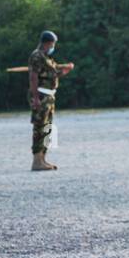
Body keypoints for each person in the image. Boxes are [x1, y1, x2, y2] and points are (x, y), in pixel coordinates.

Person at [28, 31, 73, 171]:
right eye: (53, 44)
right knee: (39, 128)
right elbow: (33, 77)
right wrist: (35, 98)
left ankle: (43, 159)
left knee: (48, 128)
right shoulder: (36, 56)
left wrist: (64, 71)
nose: (53, 46)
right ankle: (36, 161)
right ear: (47, 43)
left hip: (49, 96)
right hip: (41, 95)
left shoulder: (46, 57)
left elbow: (51, 74)